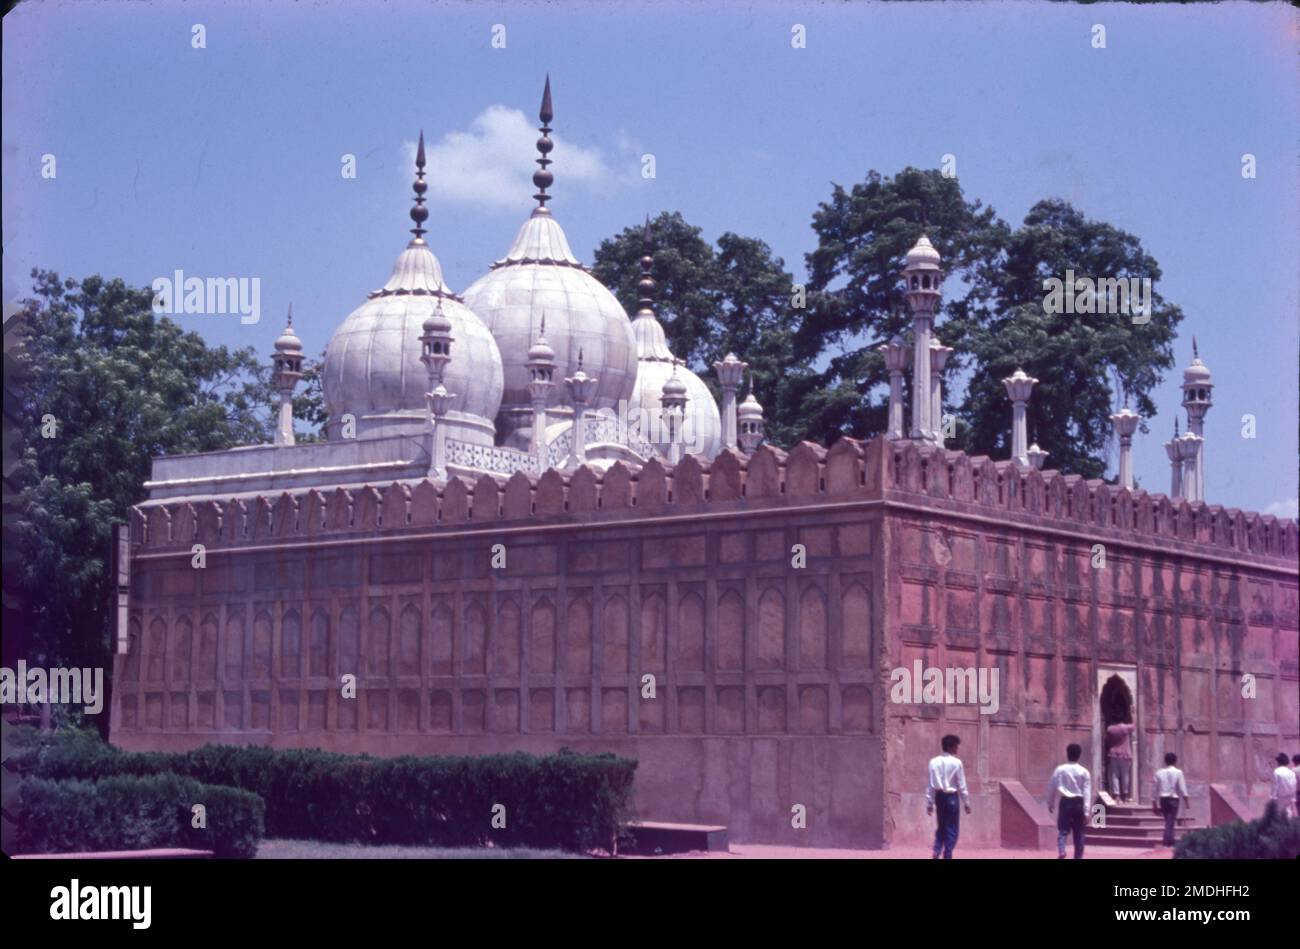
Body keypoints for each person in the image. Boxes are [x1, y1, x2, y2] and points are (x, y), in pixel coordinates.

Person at [925, 734, 972, 860]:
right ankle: (947, 856)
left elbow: (931, 784)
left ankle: (936, 850)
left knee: (941, 827)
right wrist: (966, 803)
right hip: (951, 798)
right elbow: (961, 784)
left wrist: (929, 803)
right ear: (950, 747)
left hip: (939, 798)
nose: (957, 748)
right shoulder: (957, 763)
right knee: (952, 830)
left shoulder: (933, 762)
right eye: (956, 746)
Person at [1046, 743, 1092, 860]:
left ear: (1067, 754)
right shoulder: (1084, 772)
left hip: (1065, 802)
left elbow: (1052, 787)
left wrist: (1050, 803)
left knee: (1063, 829)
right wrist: (1086, 812)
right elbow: (1087, 792)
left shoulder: (1060, 769)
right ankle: (1078, 857)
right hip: (1079, 803)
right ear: (1079, 755)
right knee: (1079, 832)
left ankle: (1062, 850)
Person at [1151, 752, 1189, 847]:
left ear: (1165, 761)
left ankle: (1170, 841)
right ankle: (1166, 841)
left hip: (1163, 799)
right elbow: (1182, 787)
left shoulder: (1159, 773)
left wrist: (1154, 803)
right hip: (1173, 799)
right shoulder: (1178, 772)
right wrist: (1186, 801)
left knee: (1168, 820)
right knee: (1170, 820)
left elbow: (1154, 789)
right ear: (1175, 761)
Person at [1105, 717, 1136, 802]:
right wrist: (1133, 715)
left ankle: (1116, 795)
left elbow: (1107, 739)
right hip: (1125, 754)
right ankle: (1125, 795)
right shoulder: (1125, 728)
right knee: (1125, 775)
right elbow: (1134, 726)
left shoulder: (1110, 729)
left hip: (1113, 753)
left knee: (1114, 775)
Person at [1271, 753, 1297, 819]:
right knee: (1288, 814)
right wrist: (1293, 798)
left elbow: (1275, 786)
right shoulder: (1291, 772)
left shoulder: (1276, 772)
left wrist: (1272, 798)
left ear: (1278, 762)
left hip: (1279, 798)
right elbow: (1294, 785)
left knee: (1278, 817)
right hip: (1289, 797)